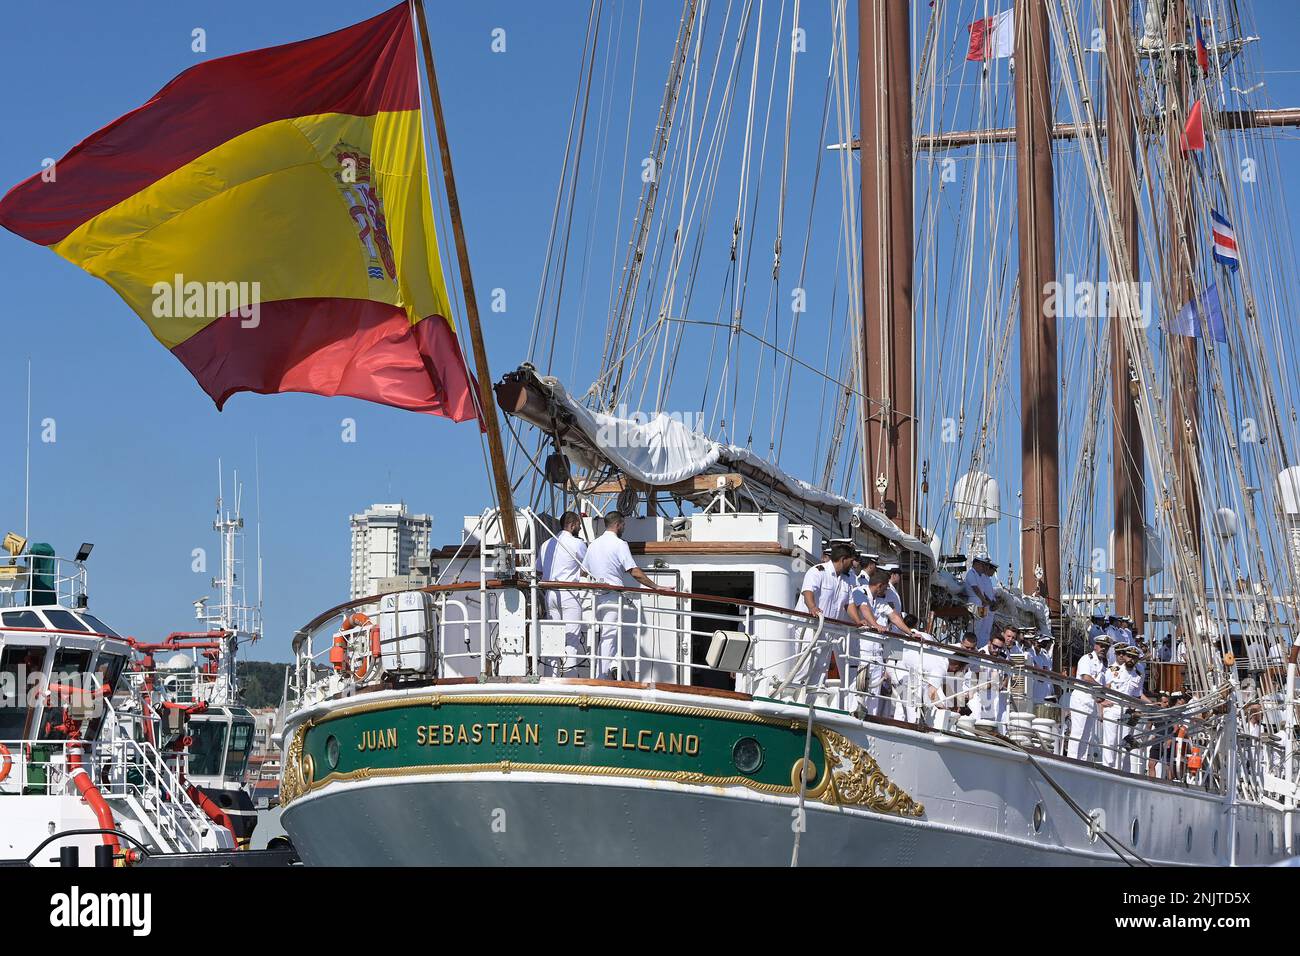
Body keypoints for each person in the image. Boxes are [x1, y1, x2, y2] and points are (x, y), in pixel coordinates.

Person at [585, 511, 658, 680]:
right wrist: (656, 586)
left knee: (602, 636)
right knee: (609, 636)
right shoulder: (620, 544)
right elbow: (634, 571)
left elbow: (584, 571)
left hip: (595, 596)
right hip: (612, 597)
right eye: (623, 525)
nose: (624, 527)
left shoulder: (593, 545)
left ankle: (603, 672)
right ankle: (601, 677)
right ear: (618, 525)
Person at [849, 567, 921, 716]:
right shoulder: (860, 592)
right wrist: (875, 625)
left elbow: (894, 617)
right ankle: (853, 715)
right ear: (880, 585)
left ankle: (871, 720)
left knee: (874, 693)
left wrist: (909, 633)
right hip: (861, 651)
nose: (887, 591)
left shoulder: (880, 601)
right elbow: (864, 609)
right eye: (886, 587)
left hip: (877, 652)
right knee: (857, 690)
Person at [795, 542, 856, 691]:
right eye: (851, 561)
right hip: (810, 627)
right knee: (805, 665)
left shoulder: (846, 580)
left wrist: (859, 622)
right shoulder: (817, 571)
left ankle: (812, 700)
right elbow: (807, 592)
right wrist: (813, 607)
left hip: (829, 630)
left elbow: (849, 604)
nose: (853, 564)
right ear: (843, 559)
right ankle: (793, 693)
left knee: (821, 668)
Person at [537, 511, 588, 675]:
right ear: (572, 525)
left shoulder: (546, 544)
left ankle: (549, 675)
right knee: (571, 637)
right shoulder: (577, 544)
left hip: (550, 594)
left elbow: (539, 570)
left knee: (552, 636)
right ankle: (570, 675)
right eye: (579, 525)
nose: (579, 528)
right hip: (569, 594)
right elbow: (587, 568)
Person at [1100, 643, 1150, 771]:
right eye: (1128, 656)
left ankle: (1121, 770)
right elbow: (1104, 689)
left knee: (1124, 743)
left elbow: (1137, 696)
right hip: (1113, 708)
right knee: (1110, 741)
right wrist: (1101, 706)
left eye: (1134, 657)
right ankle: (1108, 768)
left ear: (1137, 659)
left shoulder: (1138, 675)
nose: (1130, 659)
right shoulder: (1113, 670)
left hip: (1127, 711)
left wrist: (1139, 709)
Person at [1068, 634, 1111, 761]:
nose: (1103, 649)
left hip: (1092, 701)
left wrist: (1102, 695)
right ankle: (1072, 759)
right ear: (1095, 646)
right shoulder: (1087, 659)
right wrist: (1101, 689)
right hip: (1081, 698)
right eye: (1101, 646)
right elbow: (1086, 677)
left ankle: (1081, 760)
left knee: (1087, 735)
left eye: (1106, 647)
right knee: (1077, 732)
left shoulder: (1103, 665)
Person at [964, 555, 999, 648]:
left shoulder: (979, 576)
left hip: (981, 603)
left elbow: (983, 592)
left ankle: (979, 646)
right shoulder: (971, 573)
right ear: (977, 564)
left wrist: (987, 601)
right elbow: (975, 588)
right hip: (975, 602)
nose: (984, 567)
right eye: (982, 565)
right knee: (975, 627)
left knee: (983, 627)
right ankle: (972, 646)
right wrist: (984, 600)